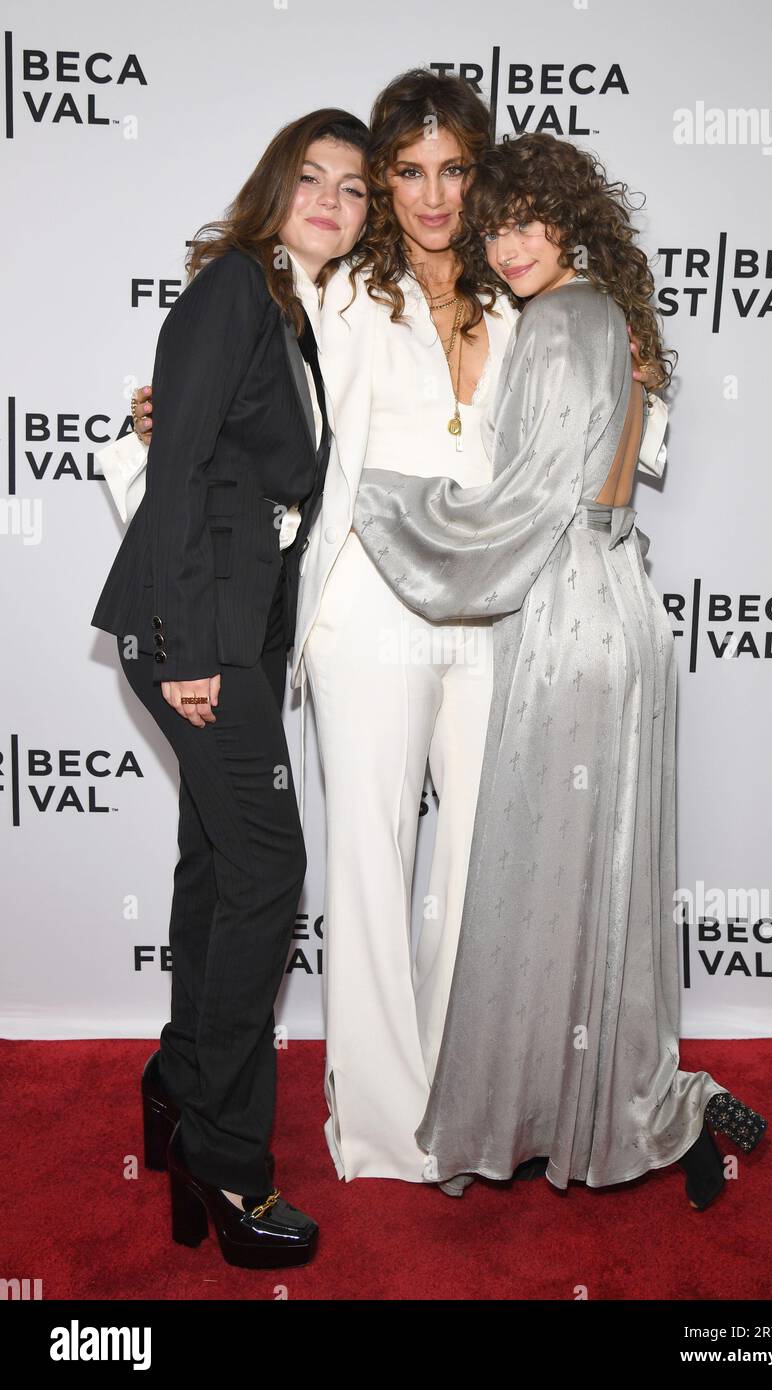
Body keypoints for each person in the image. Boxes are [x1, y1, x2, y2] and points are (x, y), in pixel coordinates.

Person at [128, 70, 667, 1185]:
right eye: (407, 174)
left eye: (453, 171)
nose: (431, 198)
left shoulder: (530, 291)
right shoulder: (338, 291)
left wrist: (642, 383)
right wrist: (146, 413)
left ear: (482, 174)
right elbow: (230, 402)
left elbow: (624, 442)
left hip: (501, 601)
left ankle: (464, 1108)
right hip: (367, 598)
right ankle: (379, 1129)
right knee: (370, 861)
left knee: (481, 862)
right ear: (384, 183)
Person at [353, 132, 767, 1211]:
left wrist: (377, 499)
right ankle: (624, 1108)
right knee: (593, 875)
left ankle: (588, 1116)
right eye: (495, 225)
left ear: (570, 219)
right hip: (614, 602)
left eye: (528, 218)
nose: (509, 241)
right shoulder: (599, 316)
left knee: (535, 875)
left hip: (570, 618)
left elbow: (524, 505)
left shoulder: (557, 322)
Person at [91, 109, 370, 1266]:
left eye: (355, 190)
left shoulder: (293, 316)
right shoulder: (233, 294)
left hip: (236, 631)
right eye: (312, 178)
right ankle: (229, 1158)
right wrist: (192, 644)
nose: (333, 201)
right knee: (269, 870)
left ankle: (176, 1083)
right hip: (195, 631)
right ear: (273, 186)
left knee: (218, 861)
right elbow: (181, 467)